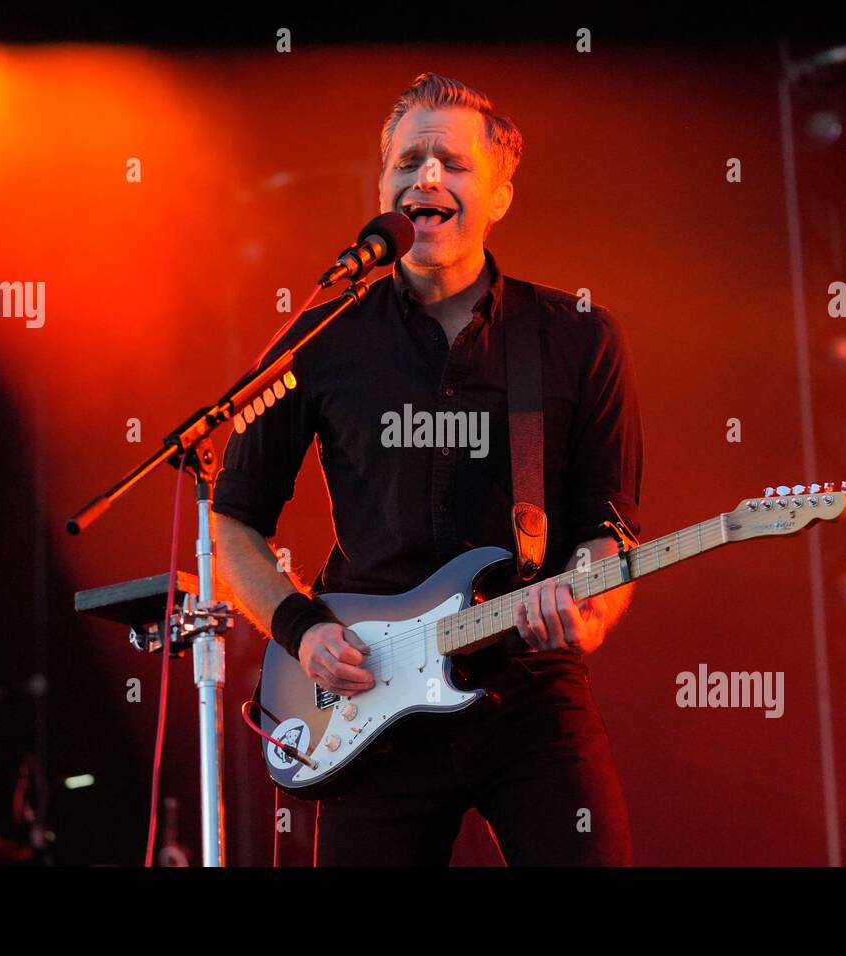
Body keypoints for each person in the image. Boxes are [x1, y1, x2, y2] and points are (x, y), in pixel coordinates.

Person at [213, 73, 643, 865]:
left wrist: (588, 610)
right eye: (409, 161)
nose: (428, 177)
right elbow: (233, 519)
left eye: (453, 162)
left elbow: (609, 531)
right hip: (367, 697)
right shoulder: (320, 337)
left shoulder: (577, 337)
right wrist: (303, 631)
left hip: (530, 690)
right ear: (383, 188)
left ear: (502, 194)